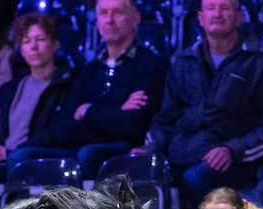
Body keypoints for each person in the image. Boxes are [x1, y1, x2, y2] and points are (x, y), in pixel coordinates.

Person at [132, 0, 263, 206]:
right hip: (181, 153)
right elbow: (166, 118)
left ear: (239, 17)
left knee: (195, 178)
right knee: (138, 176)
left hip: (234, 160)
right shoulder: (184, 60)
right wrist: (151, 146)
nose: (217, 14)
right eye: (211, 8)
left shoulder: (260, 61)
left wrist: (233, 150)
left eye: (224, 8)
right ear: (201, 18)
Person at [14, 0, 165, 179]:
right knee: (19, 157)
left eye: (117, 13)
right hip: (80, 147)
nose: (109, 20)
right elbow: (63, 127)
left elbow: (133, 126)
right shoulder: (89, 70)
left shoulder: (151, 65)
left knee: (88, 154)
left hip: (122, 149)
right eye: (103, 13)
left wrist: (87, 110)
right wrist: (116, 111)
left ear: (135, 19)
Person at [0, 14, 74, 173]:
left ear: (55, 44)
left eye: (40, 39)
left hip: (38, 157)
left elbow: (58, 131)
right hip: (8, 157)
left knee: (18, 159)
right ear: (20, 49)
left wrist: (10, 152)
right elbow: (2, 134)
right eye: (26, 41)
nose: (33, 46)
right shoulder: (8, 89)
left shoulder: (68, 83)